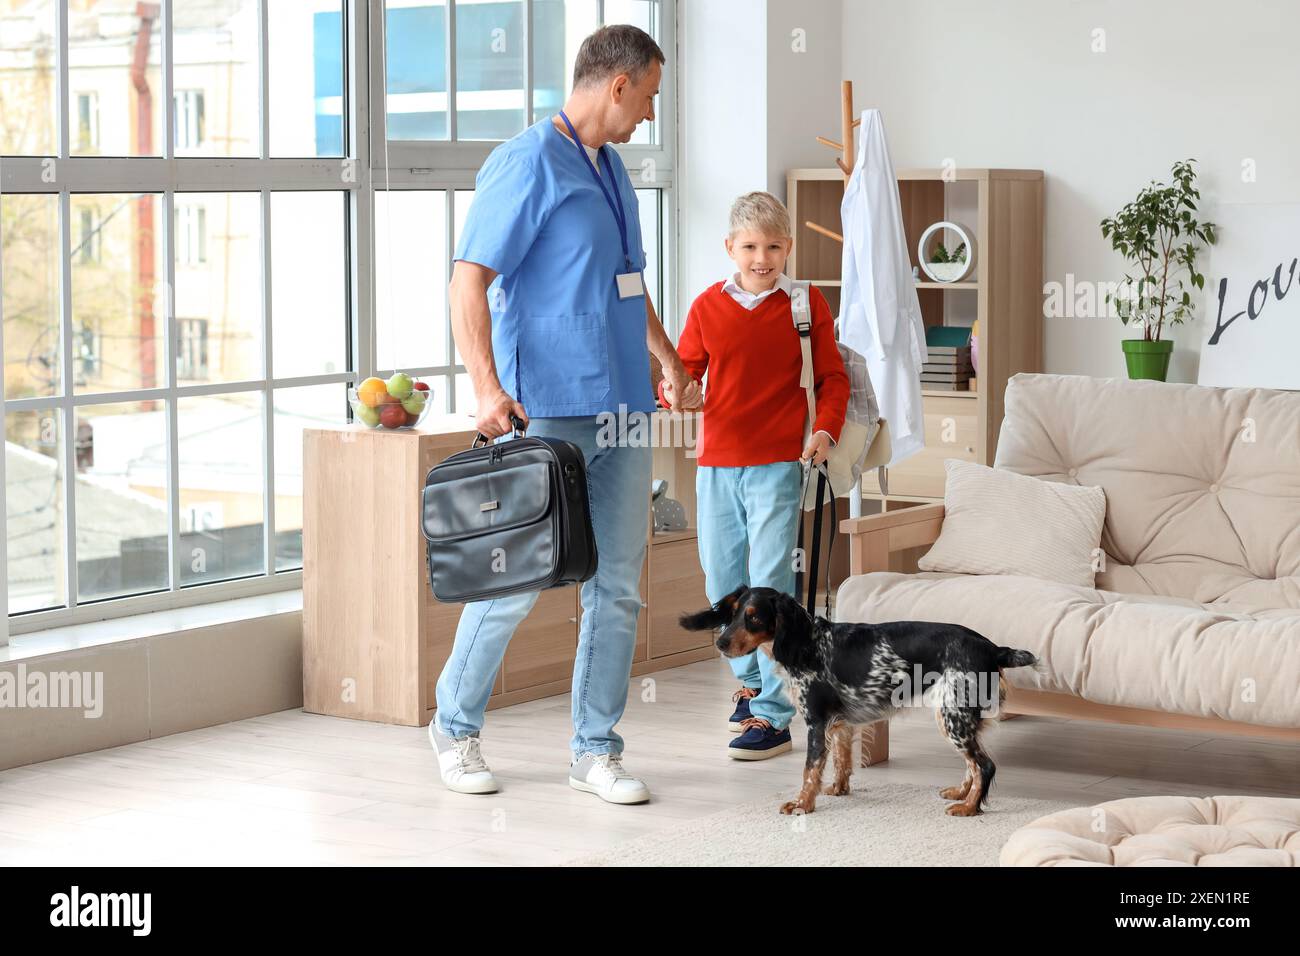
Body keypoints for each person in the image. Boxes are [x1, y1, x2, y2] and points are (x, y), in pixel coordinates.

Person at [430, 25, 700, 805]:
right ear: (617, 85)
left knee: (616, 586)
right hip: (548, 406)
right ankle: (454, 726)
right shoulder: (526, 163)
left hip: (624, 408)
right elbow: (467, 282)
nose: (650, 113)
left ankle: (594, 750)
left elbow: (627, 281)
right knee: (516, 581)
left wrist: (668, 358)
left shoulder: (612, 168)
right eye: (648, 96)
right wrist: (485, 388)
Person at [660, 191, 849, 760]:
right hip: (716, 462)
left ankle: (774, 713)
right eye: (749, 247)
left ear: (788, 247)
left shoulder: (805, 303)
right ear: (730, 248)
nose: (761, 258)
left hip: (778, 463)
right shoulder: (706, 306)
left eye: (772, 246)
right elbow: (684, 375)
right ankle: (748, 681)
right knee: (722, 582)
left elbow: (832, 378)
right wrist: (674, 393)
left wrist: (826, 430)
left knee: (770, 584)